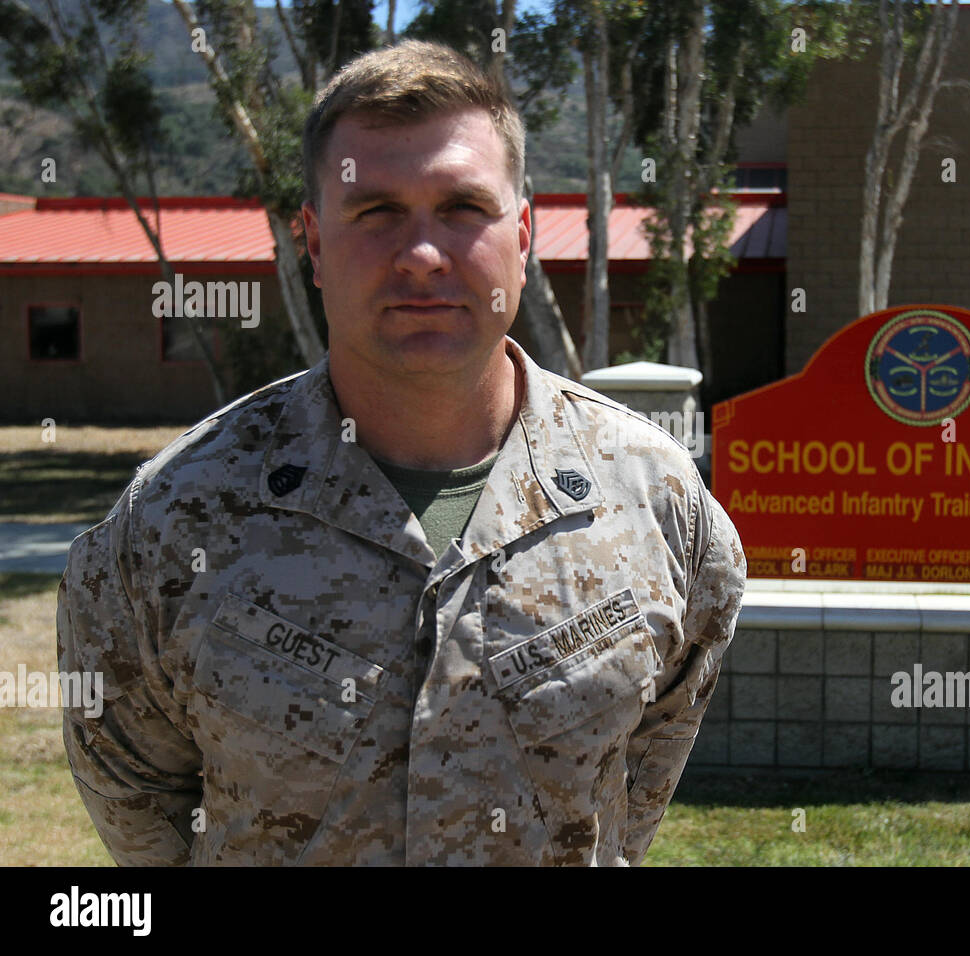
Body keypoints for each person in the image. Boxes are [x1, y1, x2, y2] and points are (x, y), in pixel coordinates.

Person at [57, 39, 745, 866]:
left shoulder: (655, 499)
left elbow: (635, 791)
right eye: (377, 211)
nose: (422, 255)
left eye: (462, 208)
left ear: (521, 237)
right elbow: (139, 802)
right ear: (313, 243)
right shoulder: (173, 518)